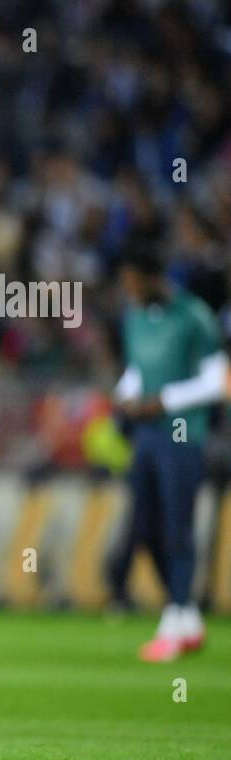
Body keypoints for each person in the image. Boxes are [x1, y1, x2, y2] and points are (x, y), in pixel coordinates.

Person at [113, 242, 225, 662]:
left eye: (132, 281)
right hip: (146, 435)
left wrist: (165, 401)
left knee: (178, 525)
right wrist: (124, 395)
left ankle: (175, 616)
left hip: (182, 432)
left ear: (152, 278)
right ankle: (186, 614)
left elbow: (217, 381)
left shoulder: (194, 315)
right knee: (143, 526)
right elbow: (137, 372)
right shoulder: (136, 317)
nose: (128, 290)